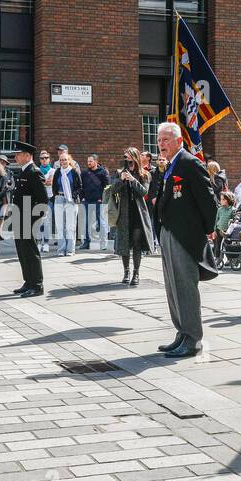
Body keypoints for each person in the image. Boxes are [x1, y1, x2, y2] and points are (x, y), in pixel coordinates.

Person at [154, 123, 218, 358]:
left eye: (166, 139)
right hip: (168, 230)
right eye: (160, 140)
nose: (161, 144)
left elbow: (208, 199)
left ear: (179, 141)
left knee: (185, 286)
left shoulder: (190, 163)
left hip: (186, 234)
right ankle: (181, 332)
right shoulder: (169, 165)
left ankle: (193, 339)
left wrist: (209, 229)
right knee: (173, 286)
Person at [110, 148, 156, 287]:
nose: (126, 159)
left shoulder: (144, 174)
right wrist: (121, 180)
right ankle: (126, 272)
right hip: (124, 213)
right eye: (125, 157)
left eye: (129, 157)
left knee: (136, 244)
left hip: (138, 214)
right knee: (124, 243)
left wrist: (133, 180)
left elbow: (143, 191)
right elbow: (113, 190)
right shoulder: (119, 173)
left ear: (135, 157)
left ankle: (136, 273)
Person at [10, 141, 47, 297]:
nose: (16, 157)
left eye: (18, 154)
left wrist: (33, 219)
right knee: (22, 251)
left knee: (31, 251)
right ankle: (28, 281)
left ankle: (37, 285)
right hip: (20, 216)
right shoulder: (24, 171)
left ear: (27, 155)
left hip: (28, 218)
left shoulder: (34, 171)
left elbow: (43, 200)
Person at [51, 148, 82, 257]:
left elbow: (79, 187)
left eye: (65, 160)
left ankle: (70, 250)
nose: (63, 162)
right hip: (59, 199)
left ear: (69, 160)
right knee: (60, 226)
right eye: (61, 160)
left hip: (70, 200)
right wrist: (55, 196)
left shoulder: (73, 172)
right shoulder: (57, 172)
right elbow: (54, 186)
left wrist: (73, 196)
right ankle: (61, 249)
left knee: (70, 226)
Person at [79, 154, 110, 251]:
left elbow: (107, 186)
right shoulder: (84, 173)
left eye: (90, 161)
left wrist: (102, 198)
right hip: (87, 200)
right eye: (88, 161)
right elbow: (81, 186)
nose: (88, 163)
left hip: (99, 201)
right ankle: (86, 243)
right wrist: (82, 197)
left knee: (102, 222)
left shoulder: (103, 172)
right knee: (86, 223)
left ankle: (103, 243)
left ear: (96, 161)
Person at [37, 149, 54, 251]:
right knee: (39, 221)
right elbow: (41, 183)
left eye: (46, 158)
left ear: (49, 159)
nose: (44, 160)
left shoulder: (52, 171)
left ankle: (46, 243)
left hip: (49, 198)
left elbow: (50, 182)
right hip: (39, 197)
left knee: (47, 221)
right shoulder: (36, 170)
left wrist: (41, 182)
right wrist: (45, 182)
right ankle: (39, 242)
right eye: (42, 158)